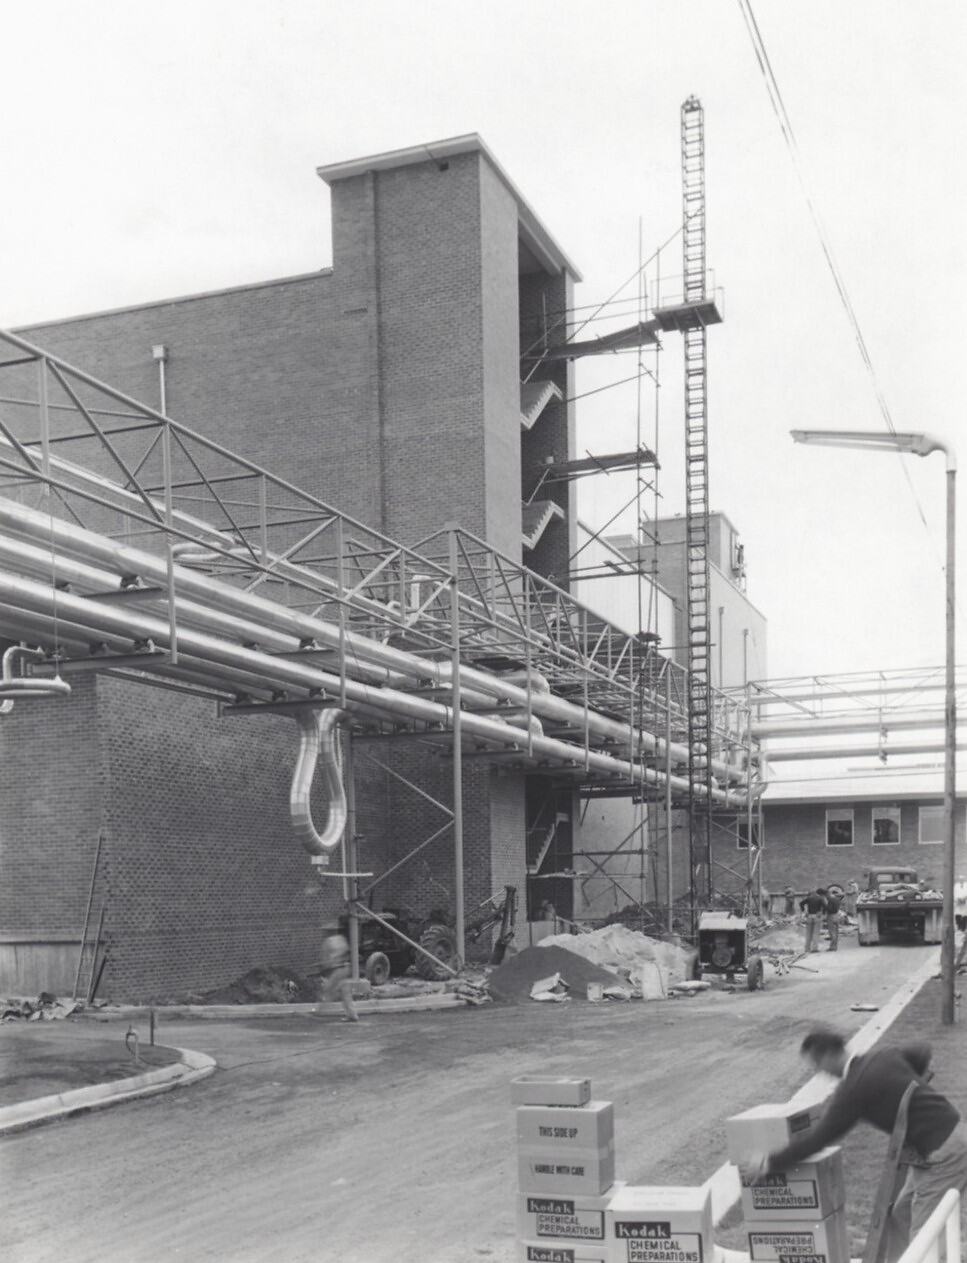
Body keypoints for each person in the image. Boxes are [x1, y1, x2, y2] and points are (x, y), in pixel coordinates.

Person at [744, 1027, 967, 1251]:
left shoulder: (854, 1089)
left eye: (816, 1064)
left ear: (829, 1056)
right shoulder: (882, 1055)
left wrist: (769, 1163)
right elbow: (921, 1050)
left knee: (926, 1236)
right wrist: (907, 1089)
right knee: (902, 1214)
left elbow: (819, 1139)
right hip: (945, 1138)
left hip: (945, 1153)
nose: (818, 1071)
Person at [318, 923, 359, 1022]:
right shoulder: (341, 938)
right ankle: (352, 1015)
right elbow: (347, 952)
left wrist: (324, 967)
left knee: (328, 988)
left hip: (337, 969)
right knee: (345, 992)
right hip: (345, 968)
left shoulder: (327, 941)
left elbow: (325, 959)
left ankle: (320, 1011)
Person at [800, 888, 827, 953]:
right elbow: (825, 907)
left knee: (808, 934)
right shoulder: (820, 898)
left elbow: (801, 903)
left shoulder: (809, 898)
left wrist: (803, 910)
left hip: (809, 916)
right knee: (815, 933)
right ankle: (814, 948)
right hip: (817, 916)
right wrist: (822, 913)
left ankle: (807, 948)